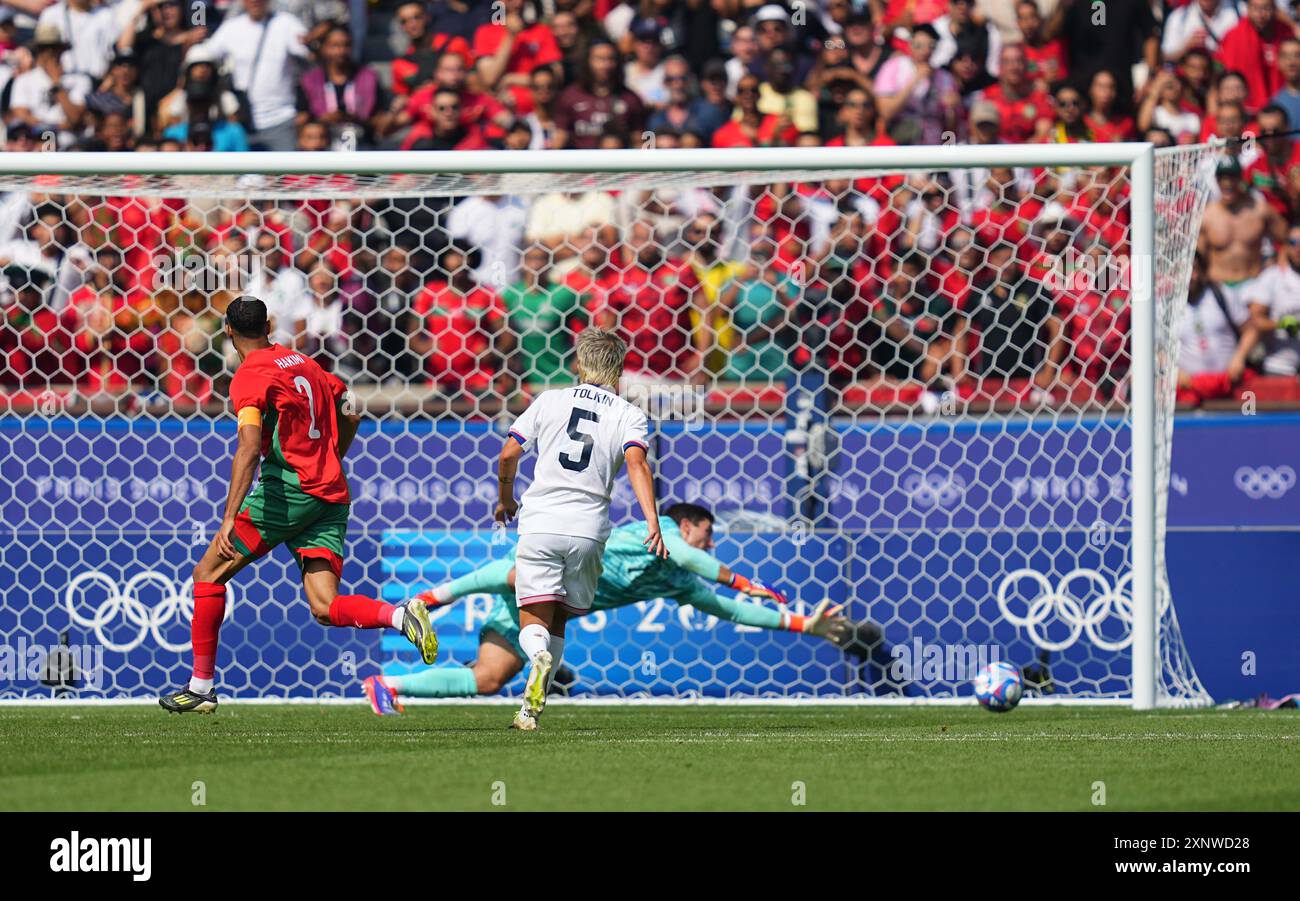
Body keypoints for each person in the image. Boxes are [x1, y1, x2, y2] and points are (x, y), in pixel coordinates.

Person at [158, 297, 438, 714]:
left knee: (208, 573)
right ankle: (400, 616)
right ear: (269, 325)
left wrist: (229, 516)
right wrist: (331, 457)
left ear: (228, 331)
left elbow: (249, 447)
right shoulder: (302, 362)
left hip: (288, 493)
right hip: (331, 494)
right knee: (324, 607)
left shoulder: (250, 376)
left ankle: (201, 687)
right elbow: (351, 410)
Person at [361, 502, 853, 710]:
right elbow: (687, 555)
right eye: (707, 535)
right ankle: (428, 599)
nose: (709, 545)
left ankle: (386, 685)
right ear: (683, 525)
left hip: (541, 612)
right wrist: (745, 580)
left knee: (488, 680)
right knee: (517, 573)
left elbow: (732, 612)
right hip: (539, 589)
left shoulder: (676, 580)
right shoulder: (649, 532)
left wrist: (804, 623)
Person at [492, 327, 665, 730]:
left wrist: (505, 498)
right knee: (558, 619)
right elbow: (638, 464)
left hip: (542, 522)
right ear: (619, 371)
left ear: (578, 364)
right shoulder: (629, 414)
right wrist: (652, 520)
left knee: (533, 619)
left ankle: (536, 660)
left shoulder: (550, 400)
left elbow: (507, 454)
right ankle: (529, 712)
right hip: (589, 529)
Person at [205, 0, 309, 151]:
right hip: (242, 121)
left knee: (285, 173)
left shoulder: (286, 23)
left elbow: (309, 56)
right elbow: (205, 55)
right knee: (244, 175)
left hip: (281, 119)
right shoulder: (231, 27)